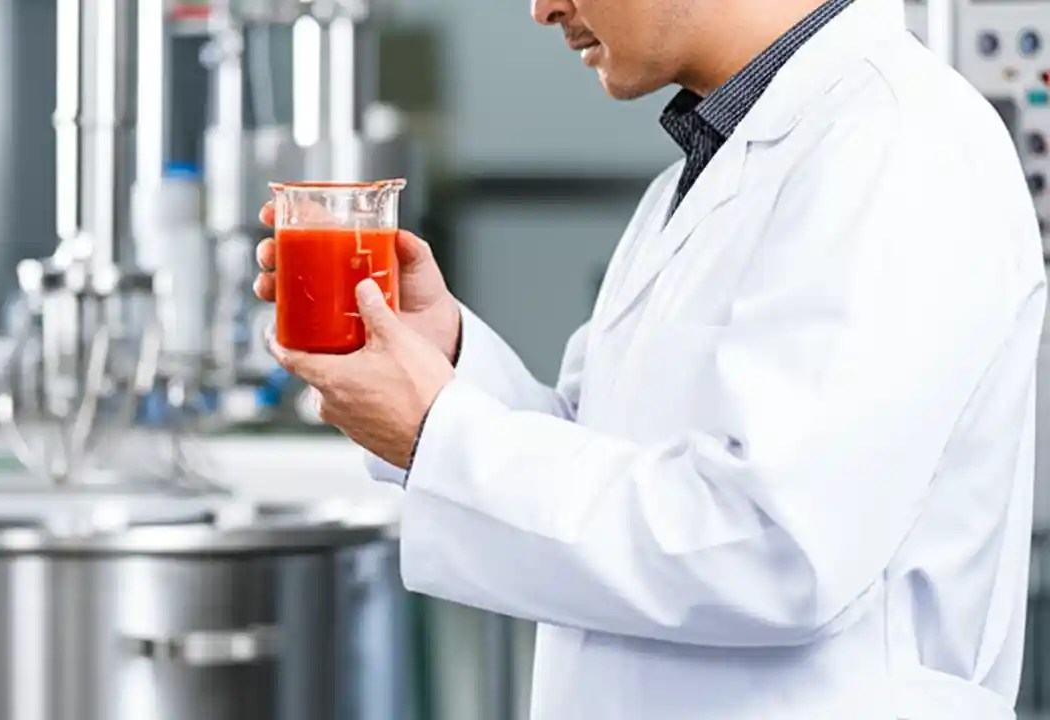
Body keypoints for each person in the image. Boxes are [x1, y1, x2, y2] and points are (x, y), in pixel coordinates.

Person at [255, 0, 1046, 717]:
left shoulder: (901, 142)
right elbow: (607, 455)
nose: (542, 9)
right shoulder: (707, 168)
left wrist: (439, 433)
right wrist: (449, 362)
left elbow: (774, 550)